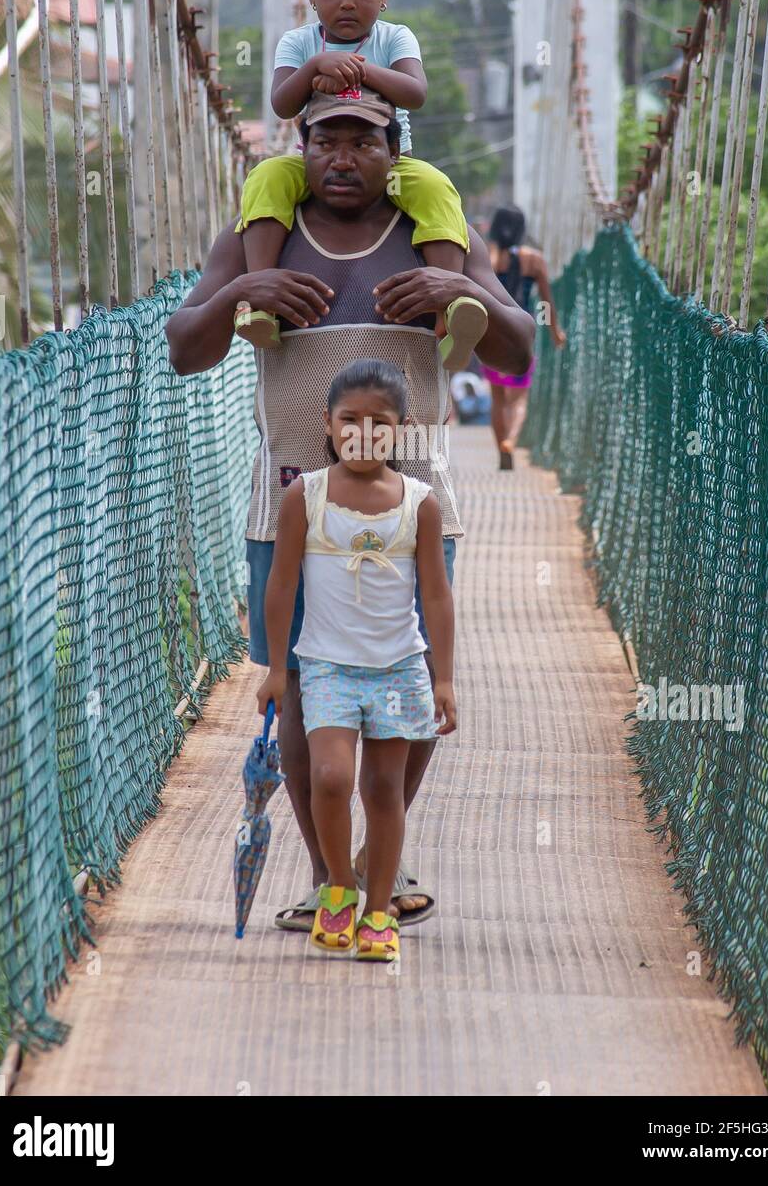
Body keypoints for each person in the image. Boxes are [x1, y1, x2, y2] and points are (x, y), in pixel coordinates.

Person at [164, 91, 535, 934]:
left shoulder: (430, 232)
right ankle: (329, 874)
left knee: (409, 680)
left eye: (361, 143)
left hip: (414, 506)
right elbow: (185, 348)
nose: (341, 158)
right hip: (291, 502)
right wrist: (242, 292)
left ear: (391, 154)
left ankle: (375, 861)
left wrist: (456, 284)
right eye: (323, 140)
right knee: (298, 691)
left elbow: (518, 347)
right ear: (301, 150)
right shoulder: (261, 234)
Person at [256, 359, 456, 961]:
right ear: (328, 423)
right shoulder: (305, 496)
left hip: (397, 667)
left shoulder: (418, 504)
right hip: (326, 668)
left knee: (383, 788)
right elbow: (281, 586)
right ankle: (338, 887)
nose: (362, 433)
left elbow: (437, 596)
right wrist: (273, 670)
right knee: (332, 777)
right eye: (349, 420)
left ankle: (377, 913)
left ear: (401, 430)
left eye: (379, 422)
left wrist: (442, 677)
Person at [231, 0, 488, 373]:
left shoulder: (394, 37)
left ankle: (450, 313)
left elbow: (414, 92)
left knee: (435, 188)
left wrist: (358, 69)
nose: (347, 2)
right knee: (265, 177)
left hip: (391, 163)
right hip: (311, 166)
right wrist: (314, 67)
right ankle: (260, 300)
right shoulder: (299, 43)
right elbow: (281, 101)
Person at [480, 205, 566, 470]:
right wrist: (556, 333)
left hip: (491, 333)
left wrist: (492, 248)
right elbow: (547, 302)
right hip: (523, 334)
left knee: (498, 399)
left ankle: (500, 448)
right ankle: (511, 441)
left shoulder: (490, 257)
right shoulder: (535, 260)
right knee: (518, 399)